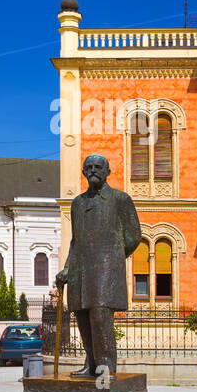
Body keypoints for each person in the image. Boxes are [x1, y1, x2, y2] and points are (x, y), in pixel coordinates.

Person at [55, 154, 141, 379]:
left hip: (105, 268)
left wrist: (113, 257)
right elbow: (75, 241)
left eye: (98, 167)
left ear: (107, 172)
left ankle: (105, 367)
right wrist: (67, 268)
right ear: (84, 172)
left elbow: (134, 235)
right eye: (89, 167)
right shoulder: (77, 203)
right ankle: (91, 364)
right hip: (80, 269)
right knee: (82, 317)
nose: (93, 170)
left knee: (100, 317)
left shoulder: (120, 199)